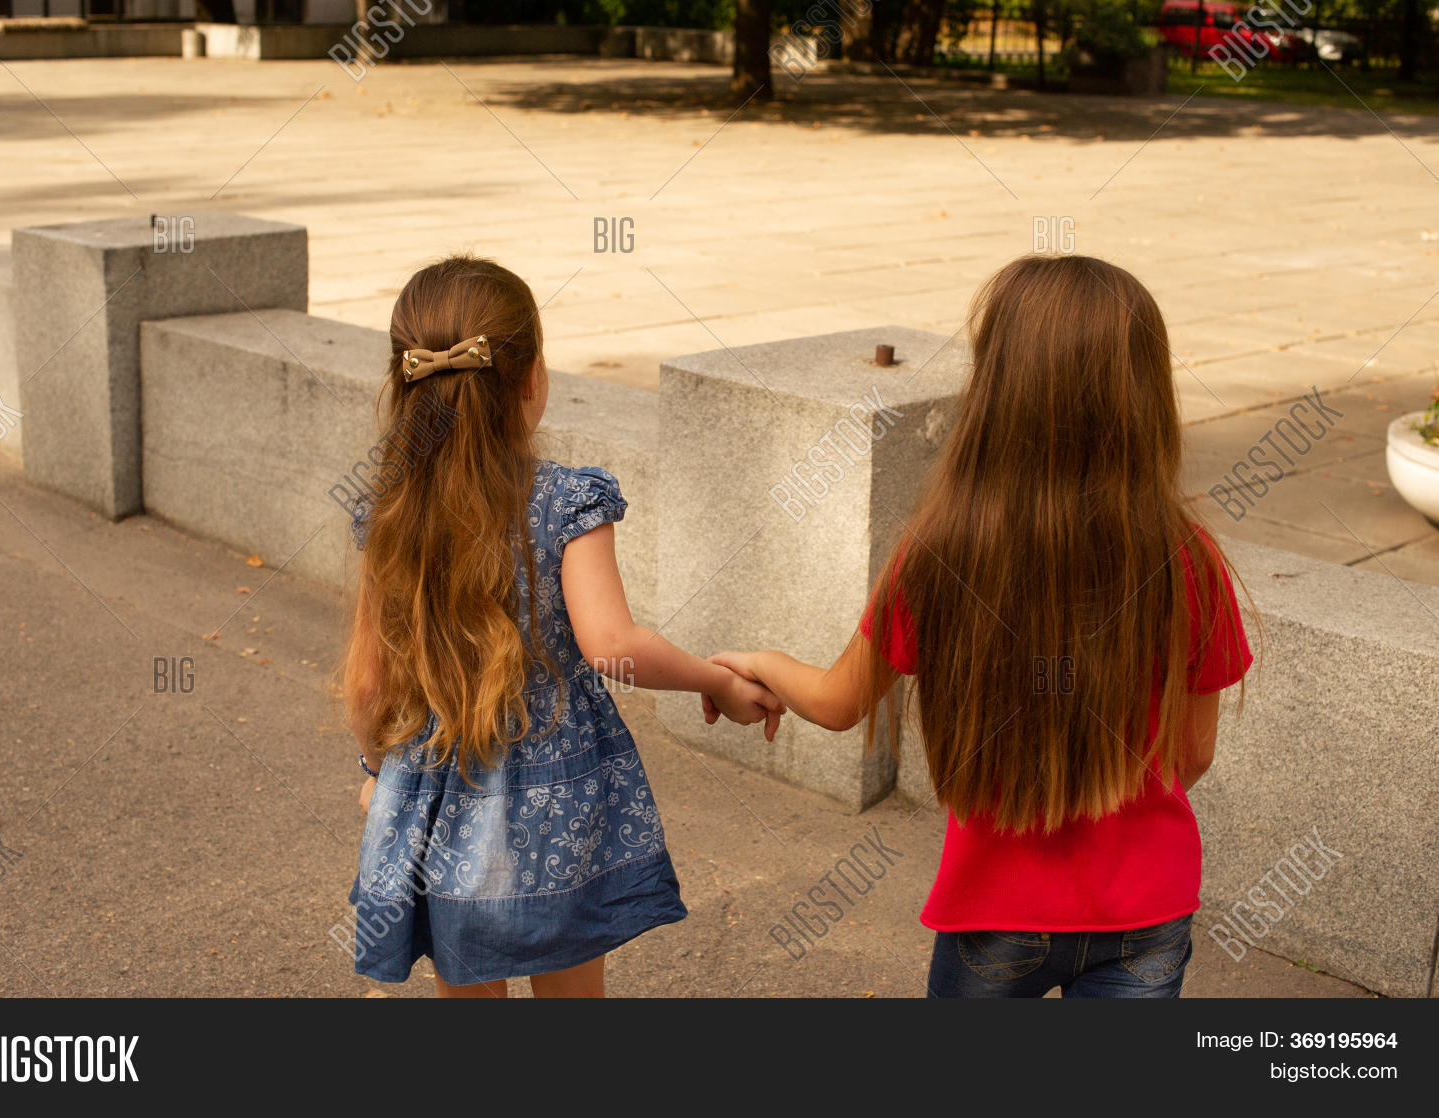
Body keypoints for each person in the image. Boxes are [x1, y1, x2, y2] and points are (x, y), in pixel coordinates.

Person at [708, 254, 1254, 998]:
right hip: (1146, 909)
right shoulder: (1190, 561)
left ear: (997, 390)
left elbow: (839, 704)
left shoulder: (939, 555)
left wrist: (765, 662)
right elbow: (1192, 754)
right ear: (1145, 396)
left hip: (999, 913)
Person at [343, 256, 783, 998]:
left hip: (440, 789)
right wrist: (716, 679)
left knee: (466, 985)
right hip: (562, 801)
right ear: (534, 378)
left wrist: (375, 773)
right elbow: (612, 647)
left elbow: (368, 677)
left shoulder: (390, 514)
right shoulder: (566, 503)